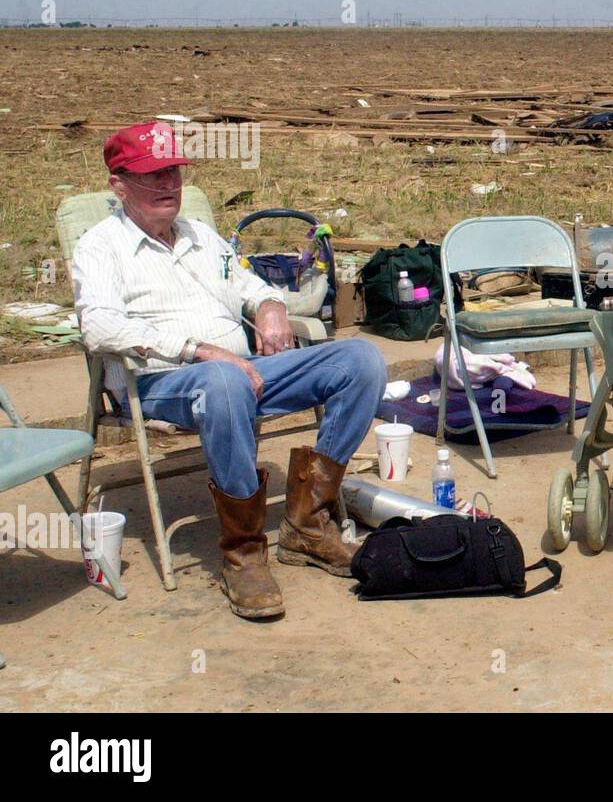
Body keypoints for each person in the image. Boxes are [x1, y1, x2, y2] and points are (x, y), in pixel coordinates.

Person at [72, 122, 387, 620]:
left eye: (173, 172)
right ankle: (244, 551)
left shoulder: (201, 235)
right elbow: (100, 327)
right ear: (119, 184)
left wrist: (270, 308)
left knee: (360, 360)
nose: (168, 186)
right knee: (224, 380)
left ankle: (307, 525)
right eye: (152, 176)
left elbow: (248, 284)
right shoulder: (99, 246)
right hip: (162, 380)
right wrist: (200, 351)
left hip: (243, 370)